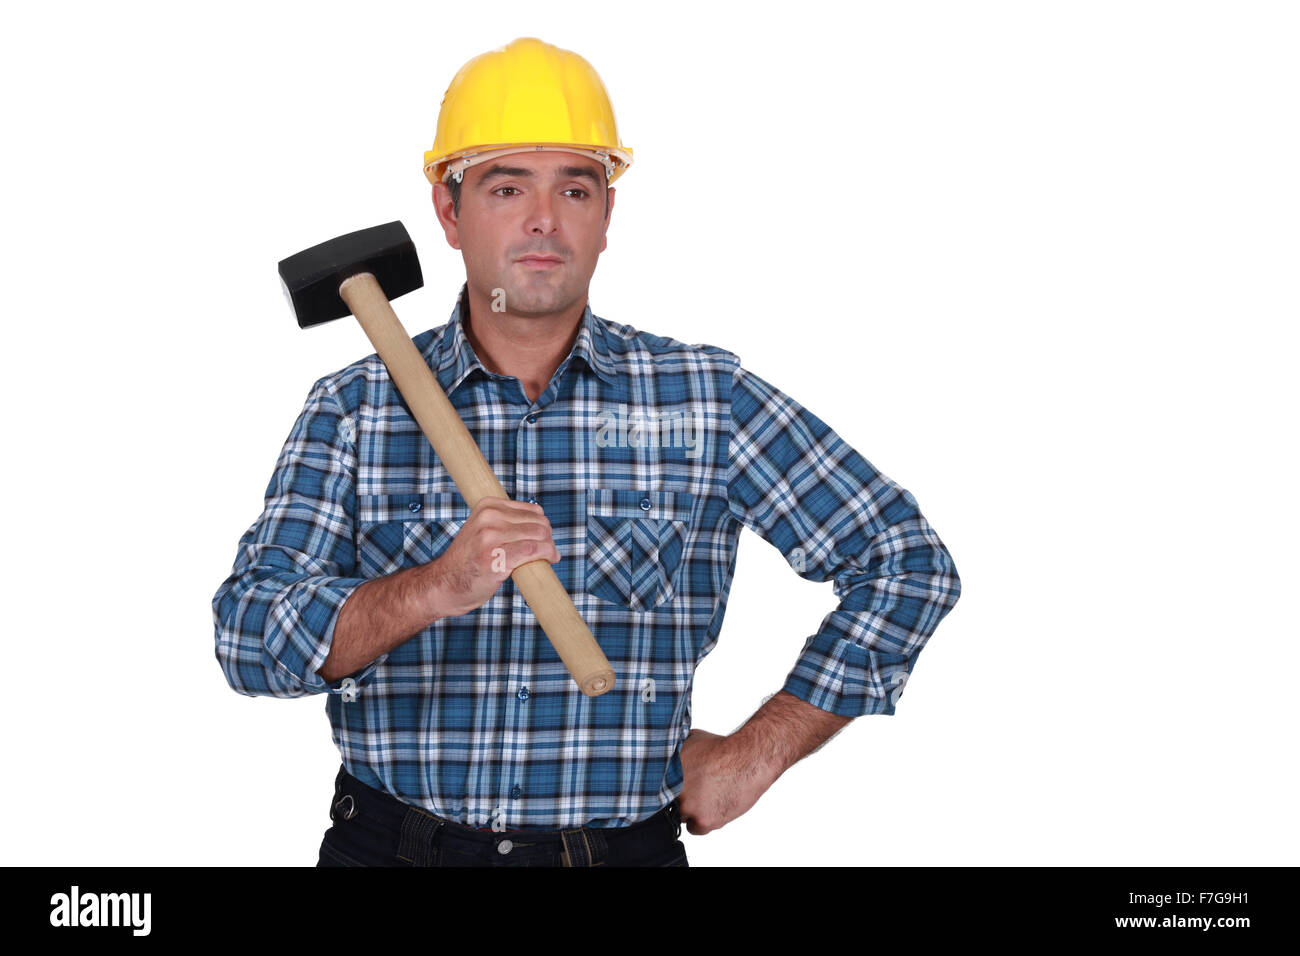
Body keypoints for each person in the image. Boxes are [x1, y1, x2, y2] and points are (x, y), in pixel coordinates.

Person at [212, 37, 961, 867]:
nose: (544, 219)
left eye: (576, 187)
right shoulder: (355, 409)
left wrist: (759, 752)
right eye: (506, 188)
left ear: (607, 215)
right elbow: (249, 642)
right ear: (449, 213)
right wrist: (434, 586)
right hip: (393, 849)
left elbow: (904, 561)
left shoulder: (704, 400)